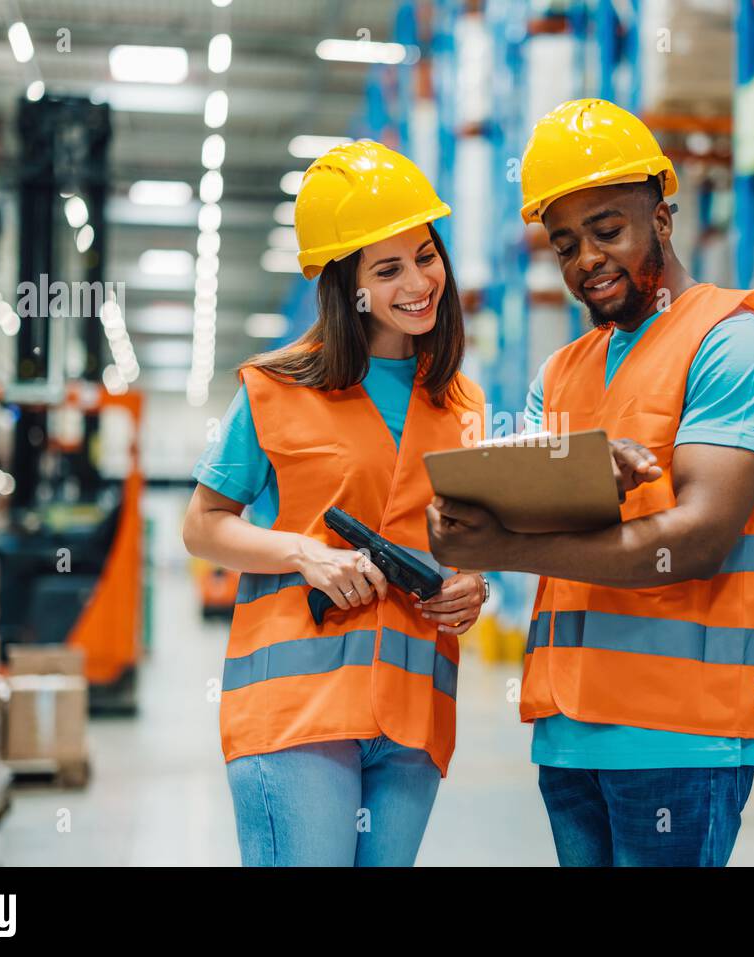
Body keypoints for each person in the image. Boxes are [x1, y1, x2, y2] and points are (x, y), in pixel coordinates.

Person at [427, 99, 754, 867]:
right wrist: (470, 531)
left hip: (681, 732)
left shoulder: (735, 344)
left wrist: (504, 539)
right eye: (565, 244)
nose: (586, 260)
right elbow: (487, 521)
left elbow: (696, 540)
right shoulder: (562, 371)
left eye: (608, 230)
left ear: (662, 216)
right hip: (568, 731)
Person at [183, 141, 486, 867]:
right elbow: (202, 525)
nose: (418, 282)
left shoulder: (462, 401)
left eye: (425, 255)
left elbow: (467, 544)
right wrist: (303, 552)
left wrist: (474, 587)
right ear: (345, 286)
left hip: (413, 710)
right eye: (387, 269)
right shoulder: (277, 386)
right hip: (298, 707)